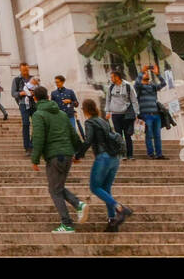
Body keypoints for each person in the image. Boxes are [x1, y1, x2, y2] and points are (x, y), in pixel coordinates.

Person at [28, 85, 89, 233]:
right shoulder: (62, 114)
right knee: (58, 187)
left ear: (35, 98)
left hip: (55, 156)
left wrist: (35, 159)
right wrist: (78, 153)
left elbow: (39, 138)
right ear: (48, 97)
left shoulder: (38, 115)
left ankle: (67, 222)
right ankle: (78, 205)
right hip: (67, 155)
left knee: (54, 190)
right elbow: (73, 135)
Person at [74, 98, 131, 231]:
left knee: (95, 187)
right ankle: (112, 221)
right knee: (106, 189)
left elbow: (88, 141)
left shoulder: (89, 122)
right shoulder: (103, 121)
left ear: (86, 110)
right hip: (114, 158)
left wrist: (78, 155)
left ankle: (119, 208)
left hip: (103, 157)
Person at [104, 70, 140, 160]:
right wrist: (107, 111)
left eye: (112, 77)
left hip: (126, 114)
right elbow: (108, 100)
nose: (111, 79)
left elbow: (134, 100)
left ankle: (130, 155)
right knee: (118, 136)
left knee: (128, 135)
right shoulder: (111, 87)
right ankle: (121, 155)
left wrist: (136, 113)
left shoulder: (128, 86)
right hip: (115, 115)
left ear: (117, 77)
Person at [135, 67, 167, 160]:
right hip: (146, 115)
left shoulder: (152, 86)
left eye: (147, 73)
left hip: (156, 114)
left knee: (157, 135)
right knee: (149, 135)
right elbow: (137, 83)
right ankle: (150, 154)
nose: (147, 74)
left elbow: (163, 84)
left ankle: (159, 154)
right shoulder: (139, 87)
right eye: (145, 73)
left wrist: (157, 74)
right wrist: (141, 72)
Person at [11, 64, 35, 153]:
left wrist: (34, 92)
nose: (26, 72)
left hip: (34, 104)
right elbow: (13, 93)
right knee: (26, 124)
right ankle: (27, 146)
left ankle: (33, 144)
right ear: (20, 70)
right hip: (23, 104)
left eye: (27, 70)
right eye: (24, 70)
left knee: (36, 124)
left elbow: (39, 89)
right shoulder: (16, 80)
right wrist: (21, 93)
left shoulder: (33, 79)